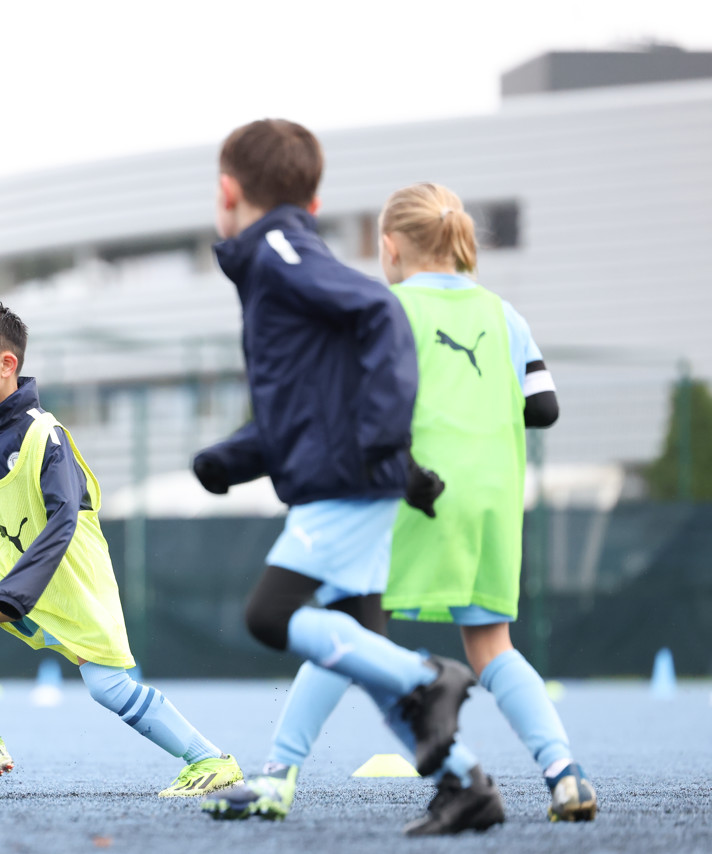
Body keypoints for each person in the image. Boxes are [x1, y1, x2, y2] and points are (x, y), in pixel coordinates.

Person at [192, 120, 502, 836]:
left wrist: (383, 443)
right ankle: (465, 785)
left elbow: (378, 312)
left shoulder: (275, 250)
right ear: (316, 199)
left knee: (271, 615)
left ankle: (429, 680)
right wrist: (233, 458)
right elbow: (309, 400)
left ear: (228, 190)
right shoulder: (280, 258)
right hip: (349, 476)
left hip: (345, 483)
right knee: (355, 650)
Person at [257, 182, 597, 824]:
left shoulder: (385, 310)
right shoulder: (505, 315)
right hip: (491, 502)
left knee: (347, 630)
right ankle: (565, 773)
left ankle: (277, 775)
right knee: (493, 646)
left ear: (390, 246)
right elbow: (544, 407)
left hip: (412, 492)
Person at [0, 298, 243, 798]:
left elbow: (63, 521)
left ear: (7, 365)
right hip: (13, 571)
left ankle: (209, 760)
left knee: (109, 688)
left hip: (70, 582)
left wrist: (19, 591)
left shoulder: (46, 435)